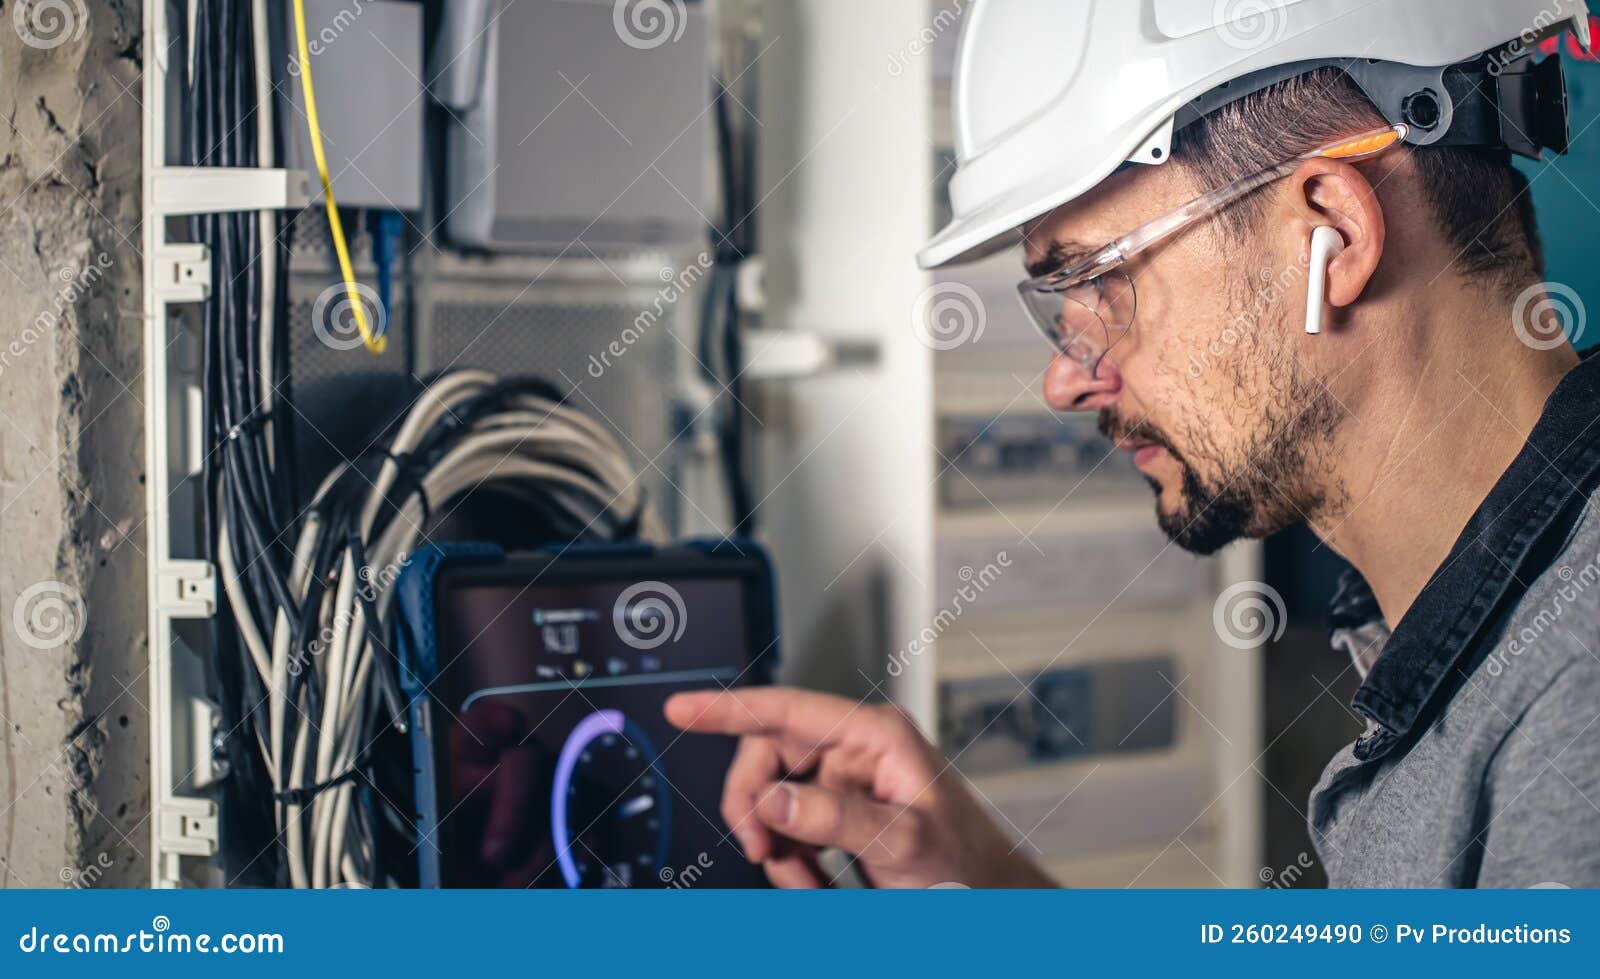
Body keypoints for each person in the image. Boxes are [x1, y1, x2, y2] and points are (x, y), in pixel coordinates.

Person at [668, 0, 1600, 888]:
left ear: (1333, 232)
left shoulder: (1573, 716)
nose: (1066, 380)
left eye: (1100, 280)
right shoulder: (1463, 635)